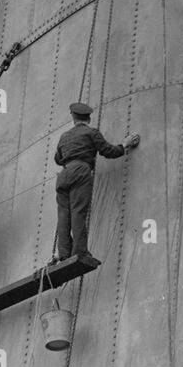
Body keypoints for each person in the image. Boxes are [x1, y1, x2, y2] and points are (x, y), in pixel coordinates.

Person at [53, 102, 139, 268]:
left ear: (73, 117)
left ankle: (63, 254)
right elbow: (109, 151)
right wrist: (125, 145)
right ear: (89, 118)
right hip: (81, 171)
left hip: (64, 176)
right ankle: (79, 252)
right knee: (78, 212)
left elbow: (58, 159)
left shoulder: (64, 136)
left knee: (64, 216)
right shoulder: (91, 133)